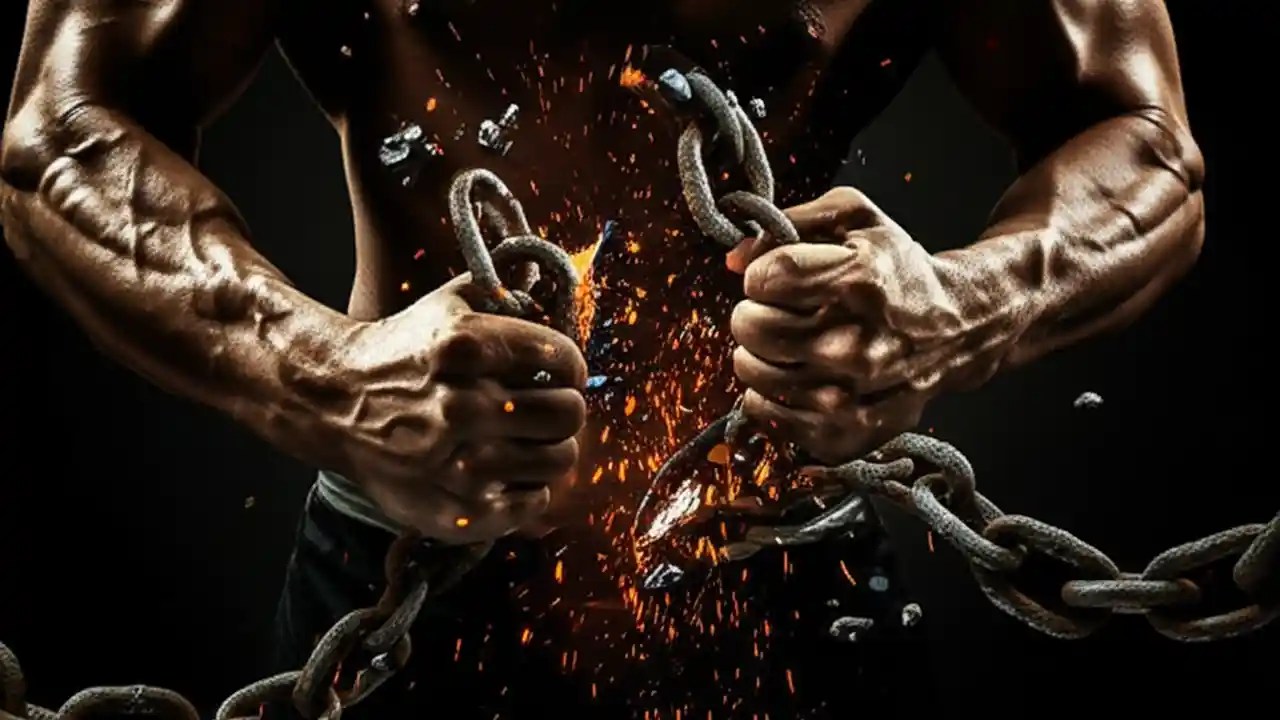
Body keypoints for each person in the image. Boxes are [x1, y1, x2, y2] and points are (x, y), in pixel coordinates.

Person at [0, 0, 1204, 717]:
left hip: (793, 578)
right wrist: (325, 373)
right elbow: (65, 130)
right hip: (397, 587)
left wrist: (954, 302)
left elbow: (1141, 138)